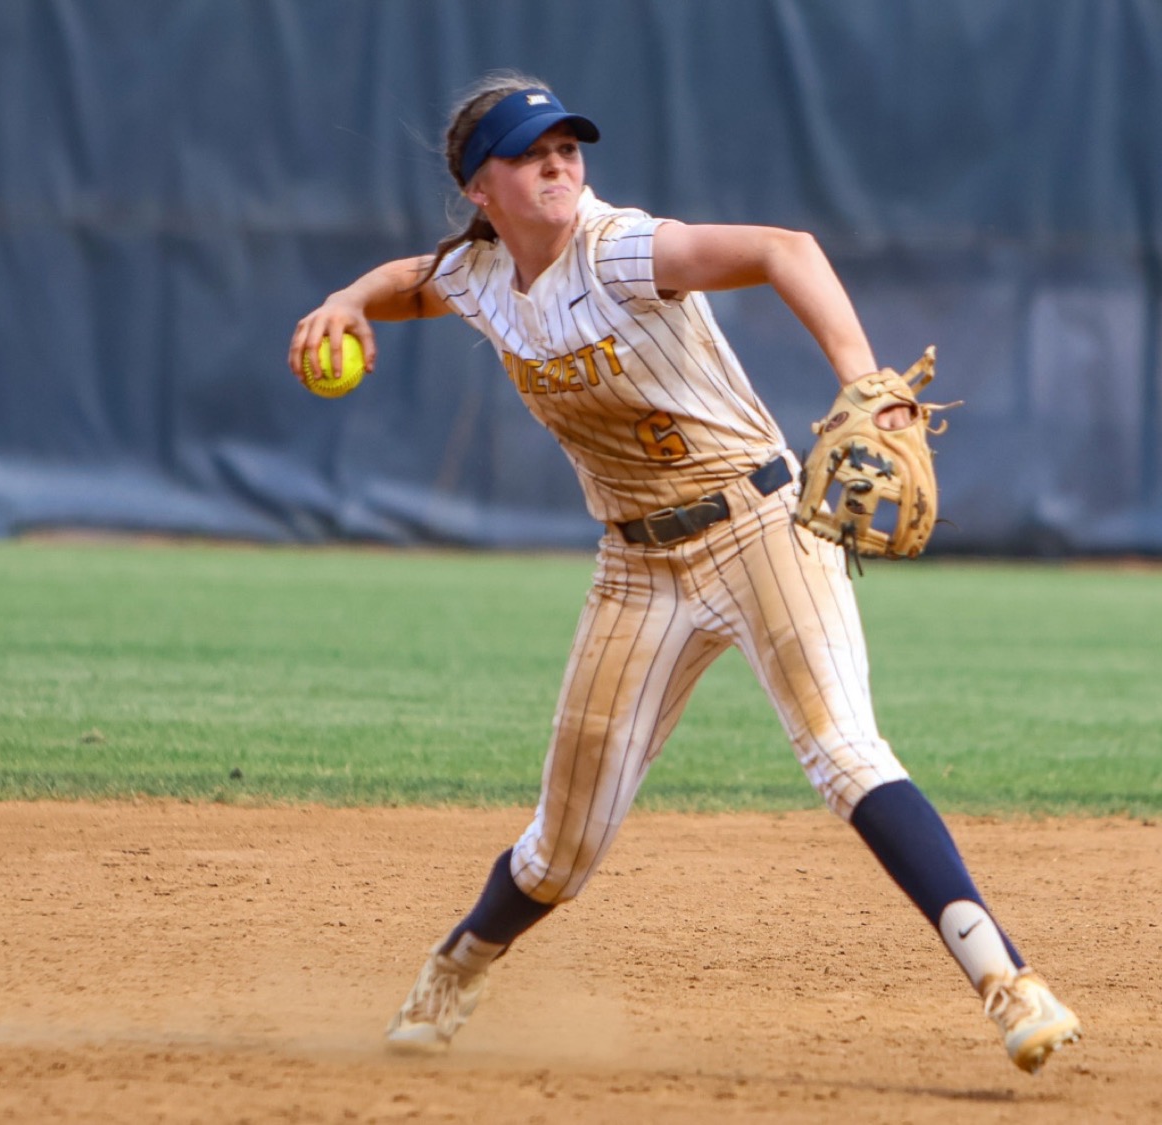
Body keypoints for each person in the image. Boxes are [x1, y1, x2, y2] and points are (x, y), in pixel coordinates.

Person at [287, 72, 1081, 1074]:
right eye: (531, 153)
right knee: (561, 850)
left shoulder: (616, 249)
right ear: (479, 189)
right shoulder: (481, 275)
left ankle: (1007, 982)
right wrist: (344, 298)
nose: (558, 164)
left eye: (567, 147)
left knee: (844, 755)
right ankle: (458, 964)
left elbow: (782, 249)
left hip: (760, 528)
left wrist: (863, 385)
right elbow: (418, 278)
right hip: (634, 570)